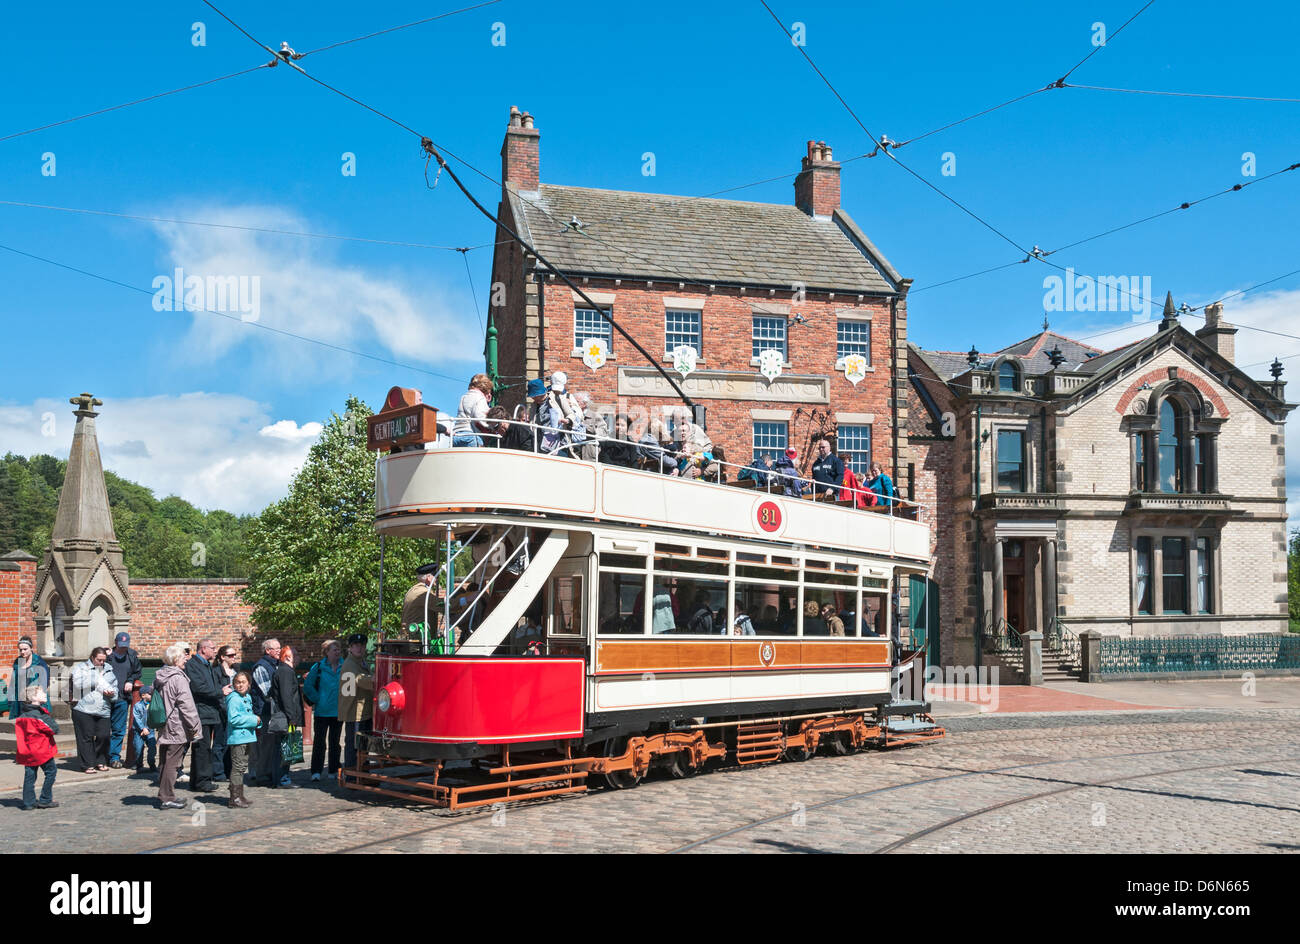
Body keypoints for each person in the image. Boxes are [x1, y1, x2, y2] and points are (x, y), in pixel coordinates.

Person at [155, 643, 202, 810]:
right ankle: (167, 797)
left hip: (165, 724)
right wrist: (195, 726)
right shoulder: (178, 678)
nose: (186, 661)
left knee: (165, 760)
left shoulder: (161, 676)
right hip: (177, 724)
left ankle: (164, 794)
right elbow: (187, 706)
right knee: (172, 762)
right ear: (175, 660)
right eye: (183, 658)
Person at [184, 638, 227, 793]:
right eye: (213, 648)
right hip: (201, 712)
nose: (215, 651)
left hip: (210, 711)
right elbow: (198, 688)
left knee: (203, 748)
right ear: (203, 649)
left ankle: (198, 780)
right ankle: (202, 781)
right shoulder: (193, 665)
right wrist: (219, 692)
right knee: (202, 748)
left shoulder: (207, 665)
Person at [262, 645, 305, 788]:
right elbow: (286, 696)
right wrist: (292, 716)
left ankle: (280, 778)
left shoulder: (283, 671)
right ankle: (282, 779)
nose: (298, 657)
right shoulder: (285, 672)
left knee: (282, 748)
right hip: (286, 718)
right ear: (287, 657)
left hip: (286, 716)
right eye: (295, 654)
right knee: (284, 749)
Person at [303, 639, 344, 782]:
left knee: (335, 743)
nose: (337, 652)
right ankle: (316, 771)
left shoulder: (344, 666)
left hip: (338, 711)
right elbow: (308, 686)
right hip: (321, 711)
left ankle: (333, 770)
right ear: (327, 652)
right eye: (334, 650)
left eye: (339, 649)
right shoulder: (319, 667)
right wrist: (318, 699)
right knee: (320, 742)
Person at [70, 647, 117, 772]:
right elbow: (77, 684)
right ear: (92, 657)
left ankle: (100, 761)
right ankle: (88, 764)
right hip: (84, 708)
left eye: (103, 660)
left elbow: (115, 687)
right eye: (99, 660)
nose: (101, 663)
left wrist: (112, 693)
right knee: (86, 737)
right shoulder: (81, 668)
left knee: (104, 736)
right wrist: (95, 679)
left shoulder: (108, 669)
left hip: (103, 709)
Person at [14, 685, 60, 810]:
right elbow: (54, 729)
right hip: (41, 750)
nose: (45, 694)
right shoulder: (39, 715)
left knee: (30, 776)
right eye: (41, 693)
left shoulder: (22, 715)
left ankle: (28, 802)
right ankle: (45, 799)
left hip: (26, 750)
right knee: (51, 772)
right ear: (33, 698)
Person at [103, 631, 142, 768]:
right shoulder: (107, 656)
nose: (123, 648)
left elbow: (138, 671)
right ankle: (102, 757)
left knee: (119, 729)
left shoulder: (132, 656)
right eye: (120, 645)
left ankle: (114, 757)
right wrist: (106, 657)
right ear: (115, 643)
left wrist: (130, 681)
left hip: (122, 698)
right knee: (103, 730)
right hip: (105, 698)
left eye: (125, 645)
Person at [249, 639, 282, 786]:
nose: (279, 651)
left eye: (280, 648)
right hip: (265, 711)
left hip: (274, 711)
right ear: (267, 650)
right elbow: (267, 692)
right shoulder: (261, 667)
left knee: (273, 744)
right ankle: (262, 775)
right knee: (265, 745)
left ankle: (271, 772)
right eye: (276, 648)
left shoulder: (276, 665)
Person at [338, 633, 373, 770]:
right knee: (354, 744)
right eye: (356, 646)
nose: (359, 648)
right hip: (354, 712)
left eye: (362, 646)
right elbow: (360, 680)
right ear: (350, 648)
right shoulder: (350, 664)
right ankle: (352, 772)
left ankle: (362, 769)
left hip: (363, 710)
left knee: (364, 744)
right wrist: (378, 680)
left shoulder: (362, 662)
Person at [224, 671, 259, 808]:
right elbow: (233, 719)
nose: (240, 685)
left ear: (249, 684)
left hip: (247, 736)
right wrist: (253, 720)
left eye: (243, 682)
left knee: (243, 766)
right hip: (238, 738)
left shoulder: (247, 697)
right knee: (238, 767)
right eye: (237, 682)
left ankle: (240, 794)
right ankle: (234, 798)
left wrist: (257, 721)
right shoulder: (234, 698)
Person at [211, 645, 238, 780]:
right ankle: (218, 772)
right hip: (221, 711)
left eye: (235, 655)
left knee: (231, 742)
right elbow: (216, 692)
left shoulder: (236, 671)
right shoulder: (216, 672)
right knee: (219, 743)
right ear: (223, 657)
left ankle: (228, 770)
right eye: (231, 655)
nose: (234, 657)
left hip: (235, 711)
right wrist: (224, 708)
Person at [542, 372, 585, 456]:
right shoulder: (544, 395)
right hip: (546, 434)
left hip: (562, 436)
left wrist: (571, 409)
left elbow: (579, 417)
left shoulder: (568, 396)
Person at [8, 637, 50, 720]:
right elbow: (14, 681)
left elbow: (45, 680)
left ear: (31, 648)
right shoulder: (18, 661)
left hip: (35, 699)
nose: (22, 652)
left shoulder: (38, 661)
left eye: (25, 649)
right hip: (20, 699)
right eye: (20, 650)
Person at [452, 373, 494, 447]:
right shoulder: (480, 397)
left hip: (456, 434)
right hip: (470, 434)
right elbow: (479, 416)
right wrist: (492, 427)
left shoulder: (464, 397)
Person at [131, 686, 158, 774]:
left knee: (152, 747)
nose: (151, 695)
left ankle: (152, 764)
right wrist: (143, 728)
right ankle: (139, 766)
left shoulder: (154, 704)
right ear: (143, 696)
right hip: (139, 731)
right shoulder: (137, 706)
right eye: (150, 694)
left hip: (150, 730)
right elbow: (137, 718)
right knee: (138, 748)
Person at [574, 391, 606, 461]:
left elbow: (603, 432)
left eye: (576, 401)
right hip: (574, 453)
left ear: (584, 404)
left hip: (590, 455)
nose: (573, 403)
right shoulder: (572, 415)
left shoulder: (595, 416)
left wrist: (588, 428)